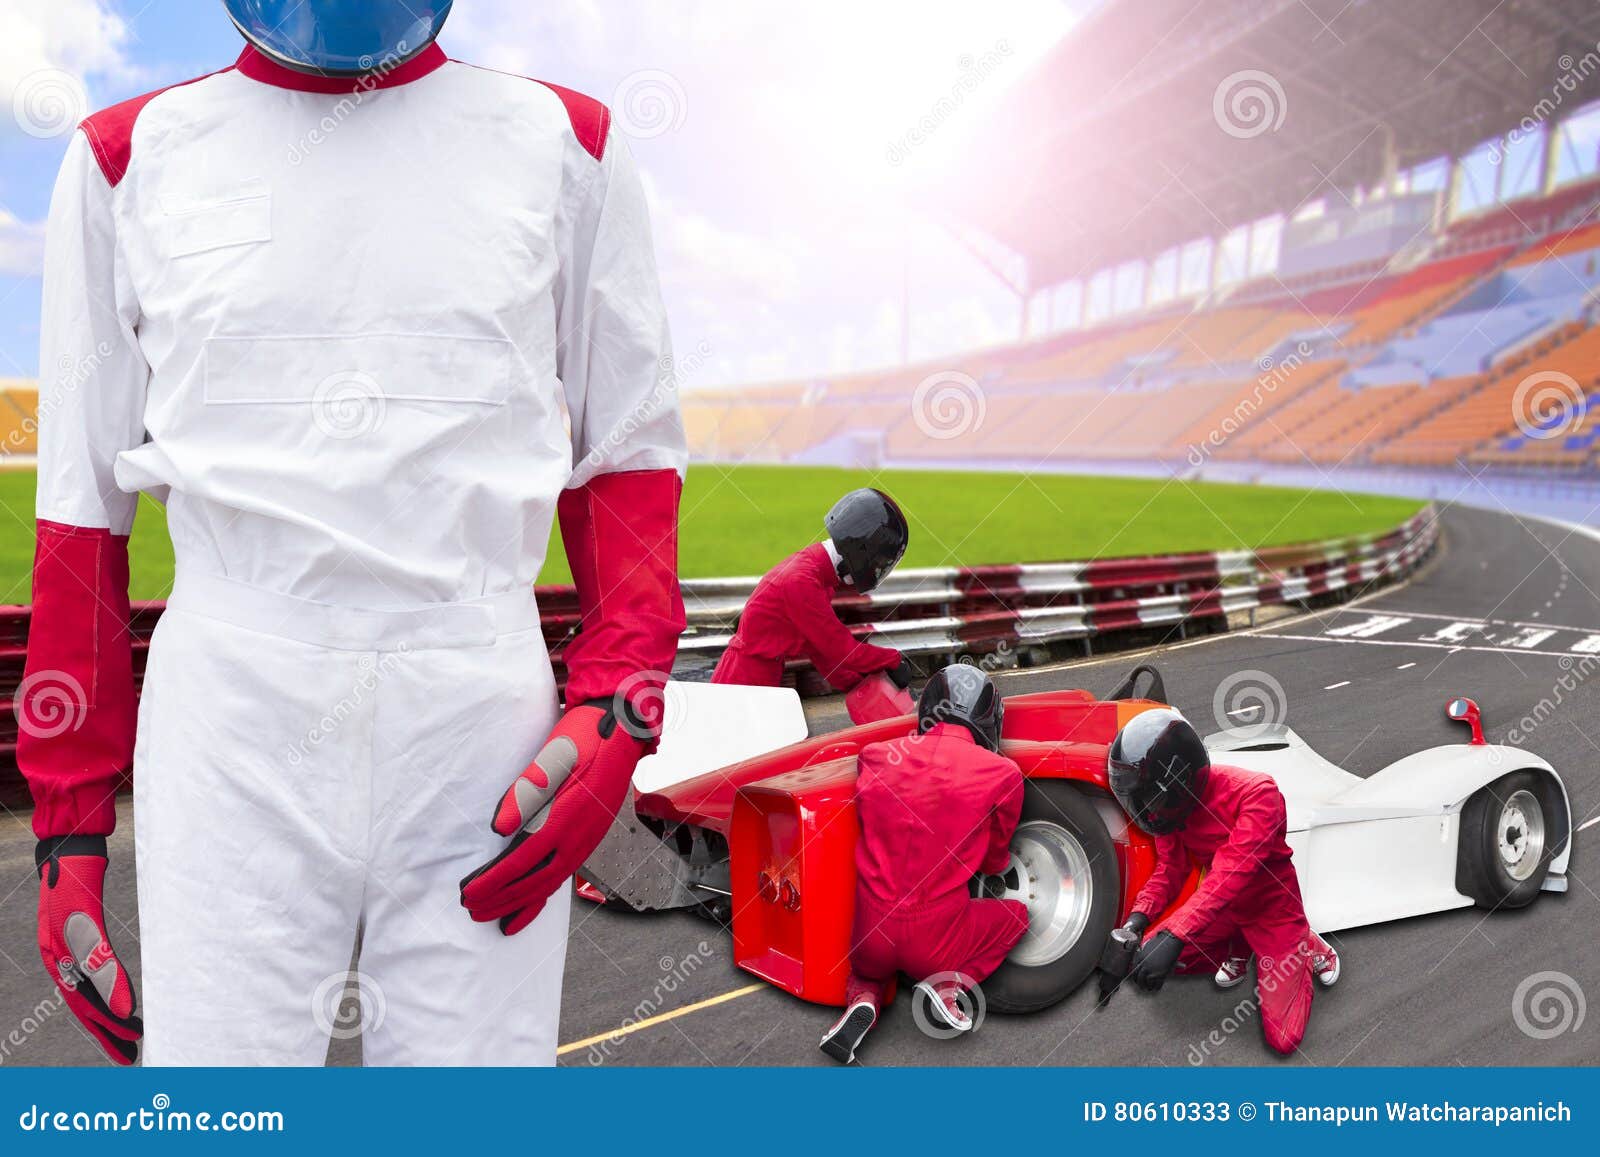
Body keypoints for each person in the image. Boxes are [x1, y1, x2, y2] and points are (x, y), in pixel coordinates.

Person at [21, 0, 685, 1065]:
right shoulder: (124, 157)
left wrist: (621, 698)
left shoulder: (568, 145)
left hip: (481, 725)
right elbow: (81, 506)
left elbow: (630, 452)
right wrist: (69, 820)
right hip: (234, 715)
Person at [819, 664, 1030, 1064]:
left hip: (871, 935)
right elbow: (993, 860)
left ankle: (862, 998)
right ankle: (948, 985)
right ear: (987, 718)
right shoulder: (1003, 774)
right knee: (1016, 916)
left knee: (867, 969)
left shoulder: (875, 757)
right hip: (935, 941)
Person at [1104, 709, 1339, 1056]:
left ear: (1178, 781)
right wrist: (1136, 923)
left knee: (1284, 1039)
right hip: (1225, 910)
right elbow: (1169, 870)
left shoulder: (1258, 795)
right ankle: (1239, 947)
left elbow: (1231, 873)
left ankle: (1305, 943)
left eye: (1148, 798)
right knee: (1147, 958)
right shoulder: (1169, 812)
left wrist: (1174, 933)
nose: (1144, 811)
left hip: (1272, 908)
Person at [712, 488, 912, 693]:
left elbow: (820, 650)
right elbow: (839, 648)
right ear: (862, 550)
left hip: (756, 677)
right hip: (743, 682)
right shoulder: (802, 582)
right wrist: (891, 660)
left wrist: (856, 685)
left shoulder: (816, 576)